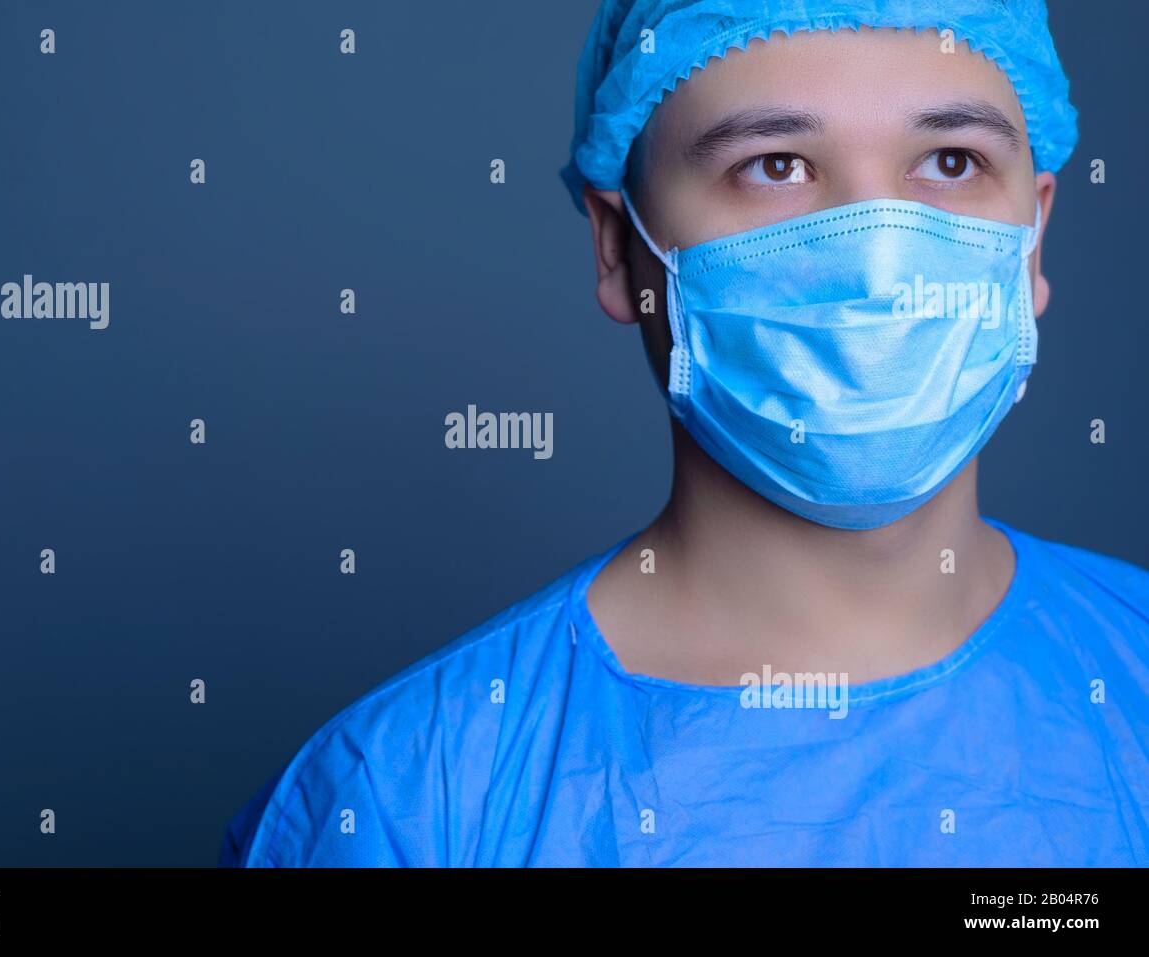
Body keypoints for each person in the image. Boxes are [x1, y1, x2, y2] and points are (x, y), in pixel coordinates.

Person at [224, 0, 1149, 866]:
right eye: (774, 165)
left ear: (1031, 239)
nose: (879, 261)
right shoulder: (411, 801)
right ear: (619, 248)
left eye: (950, 161)